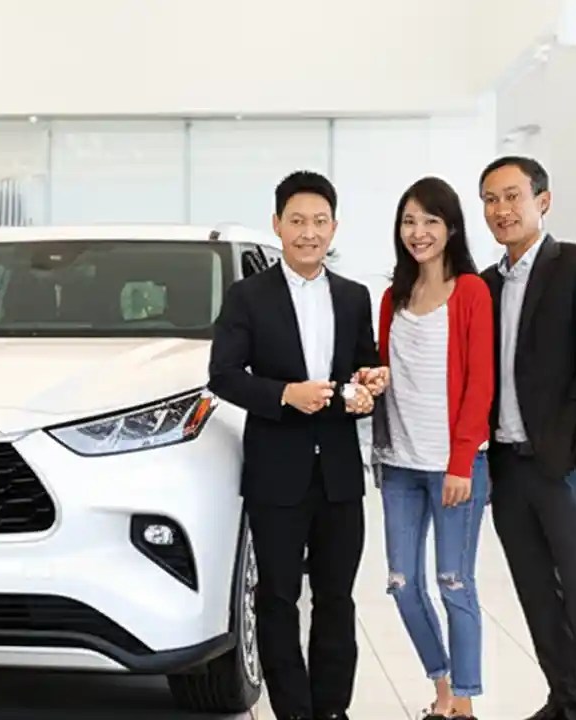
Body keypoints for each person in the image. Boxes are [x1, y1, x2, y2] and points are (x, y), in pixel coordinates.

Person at [208, 170, 379, 720]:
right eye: (298, 221)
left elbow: (362, 367)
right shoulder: (247, 296)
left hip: (338, 476)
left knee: (337, 599)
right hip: (275, 472)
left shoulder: (354, 297)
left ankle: (332, 709)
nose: (309, 232)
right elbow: (224, 375)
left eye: (320, 221)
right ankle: (294, 711)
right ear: (277, 225)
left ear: (334, 227)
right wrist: (285, 394)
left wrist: (367, 389)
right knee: (278, 600)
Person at [477, 156, 576, 720]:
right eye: (491, 199)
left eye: (512, 196)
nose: (501, 209)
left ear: (543, 200)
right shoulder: (486, 284)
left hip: (569, 468)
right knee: (538, 596)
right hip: (510, 469)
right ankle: (564, 699)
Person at [365, 176, 493, 720]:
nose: (418, 233)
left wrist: (461, 461)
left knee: (454, 582)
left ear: (451, 228)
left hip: (454, 467)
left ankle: (461, 704)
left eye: (430, 222)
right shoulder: (393, 296)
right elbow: (389, 372)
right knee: (401, 584)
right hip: (399, 465)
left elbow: (480, 384)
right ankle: (441, 681)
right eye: (409, 222)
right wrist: (373, 380)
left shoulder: (471, 291)